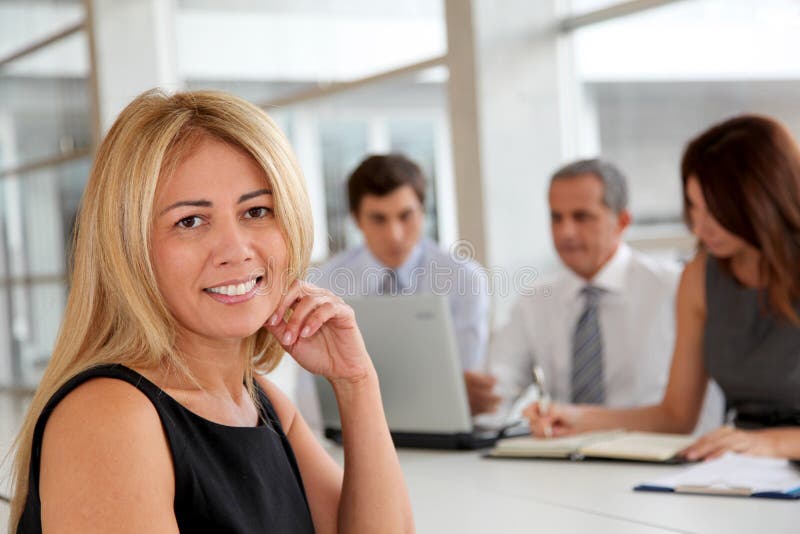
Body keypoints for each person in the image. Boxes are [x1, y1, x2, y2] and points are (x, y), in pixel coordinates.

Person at [9, 89, 413, 533]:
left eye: (257, 211)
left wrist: (356, 383)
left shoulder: (259, 402)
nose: (235, 251)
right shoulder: (108, 416)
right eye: (190, 221)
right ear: (130, 249)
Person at [525, 115, 800, 460]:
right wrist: (579, 418)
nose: (699, 228)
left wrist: (772, 443)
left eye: (714, 211)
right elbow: (674, 416)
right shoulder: (700, 276)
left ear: (761, 199)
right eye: (693, 208)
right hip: (741, 466)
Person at [468, 158, 723, 433]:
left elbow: (704, 413)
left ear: (622, 222)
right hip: (565, 459)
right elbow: (496, 392)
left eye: (582, 217)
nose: (565, 232)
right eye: (556, 217)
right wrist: (476, 400)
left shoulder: (675, 289)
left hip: (656, 451)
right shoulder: (534, 301)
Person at [306, 154, 490, 415]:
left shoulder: (464, 279)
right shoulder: (324, 283)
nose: (395, 234)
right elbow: (309, 393)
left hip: (439, 426)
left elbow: (465, 379)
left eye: (406, 216)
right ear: (357, 219)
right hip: (349, 428)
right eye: (378, 219)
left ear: (423, 212)